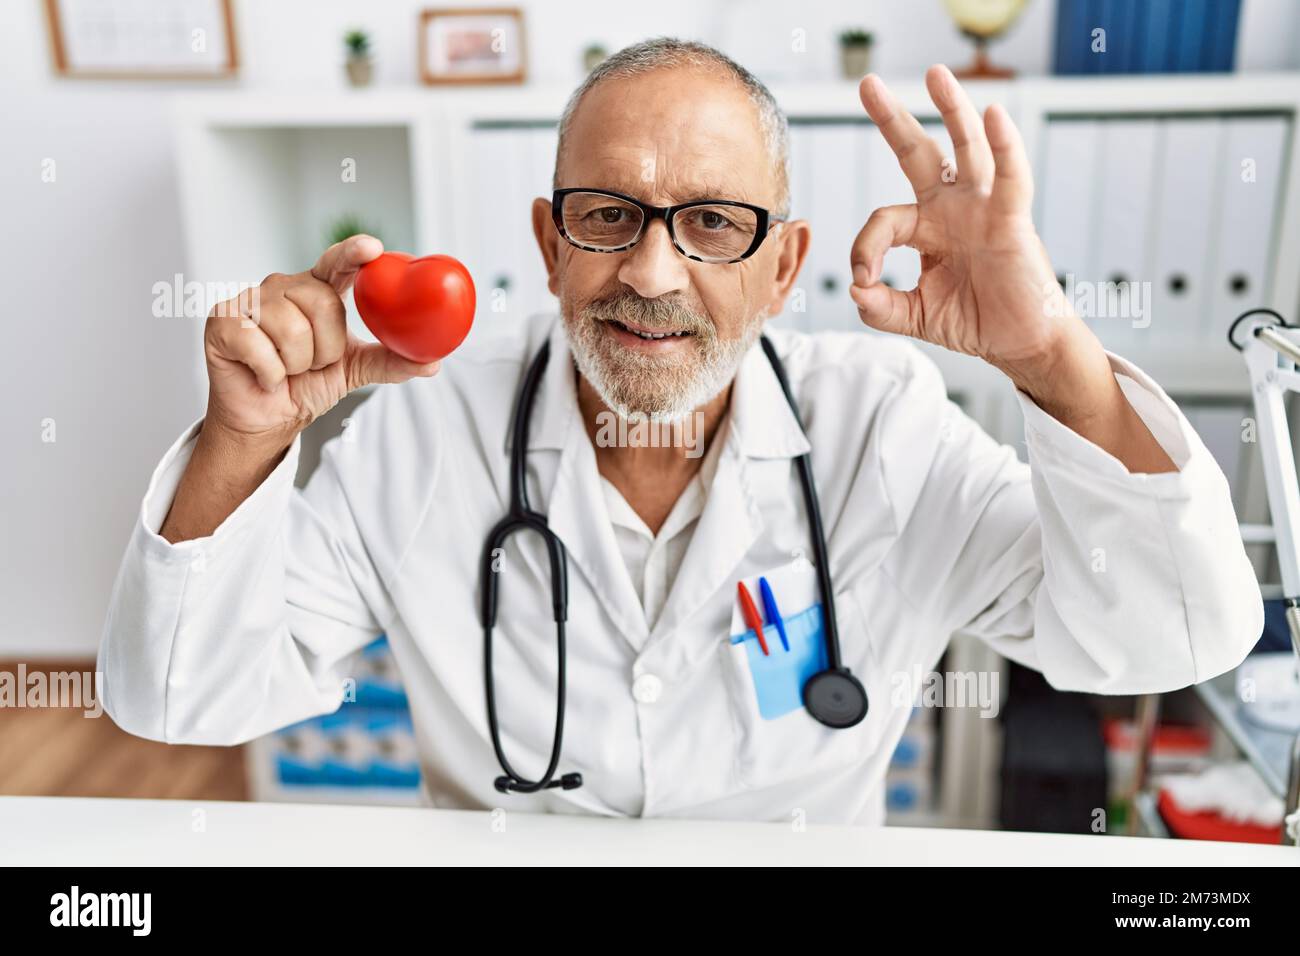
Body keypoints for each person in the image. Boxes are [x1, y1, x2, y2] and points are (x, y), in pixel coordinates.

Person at [99, 39, 1261, 824]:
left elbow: (1171, 636)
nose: (652, 270)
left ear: (782, 268)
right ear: (552, 248)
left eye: (712, 221)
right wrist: (243, 439)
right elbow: (179, 700)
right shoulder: (425, 427)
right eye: (609, 216)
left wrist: (1050, 355)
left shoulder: (883, 428)